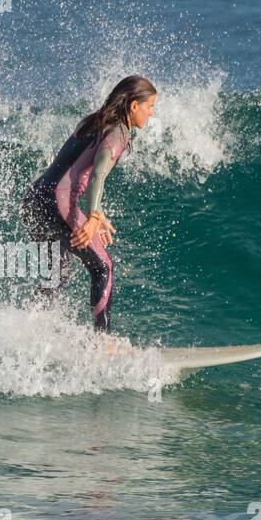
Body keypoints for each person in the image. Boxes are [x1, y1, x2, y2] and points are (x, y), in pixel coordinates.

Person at [20, 75, 157, 331]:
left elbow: (73, 170)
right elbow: (97, 174)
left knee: (57, 272)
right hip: (55, 202)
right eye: (149, 106)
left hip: (34, 199)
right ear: (134, 106)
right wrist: (93, 216)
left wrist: (98, 212)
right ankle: (103, 343)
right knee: (103, 266)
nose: (151, 113)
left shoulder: (94, 121)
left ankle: (28, 327)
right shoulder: (118, 132)